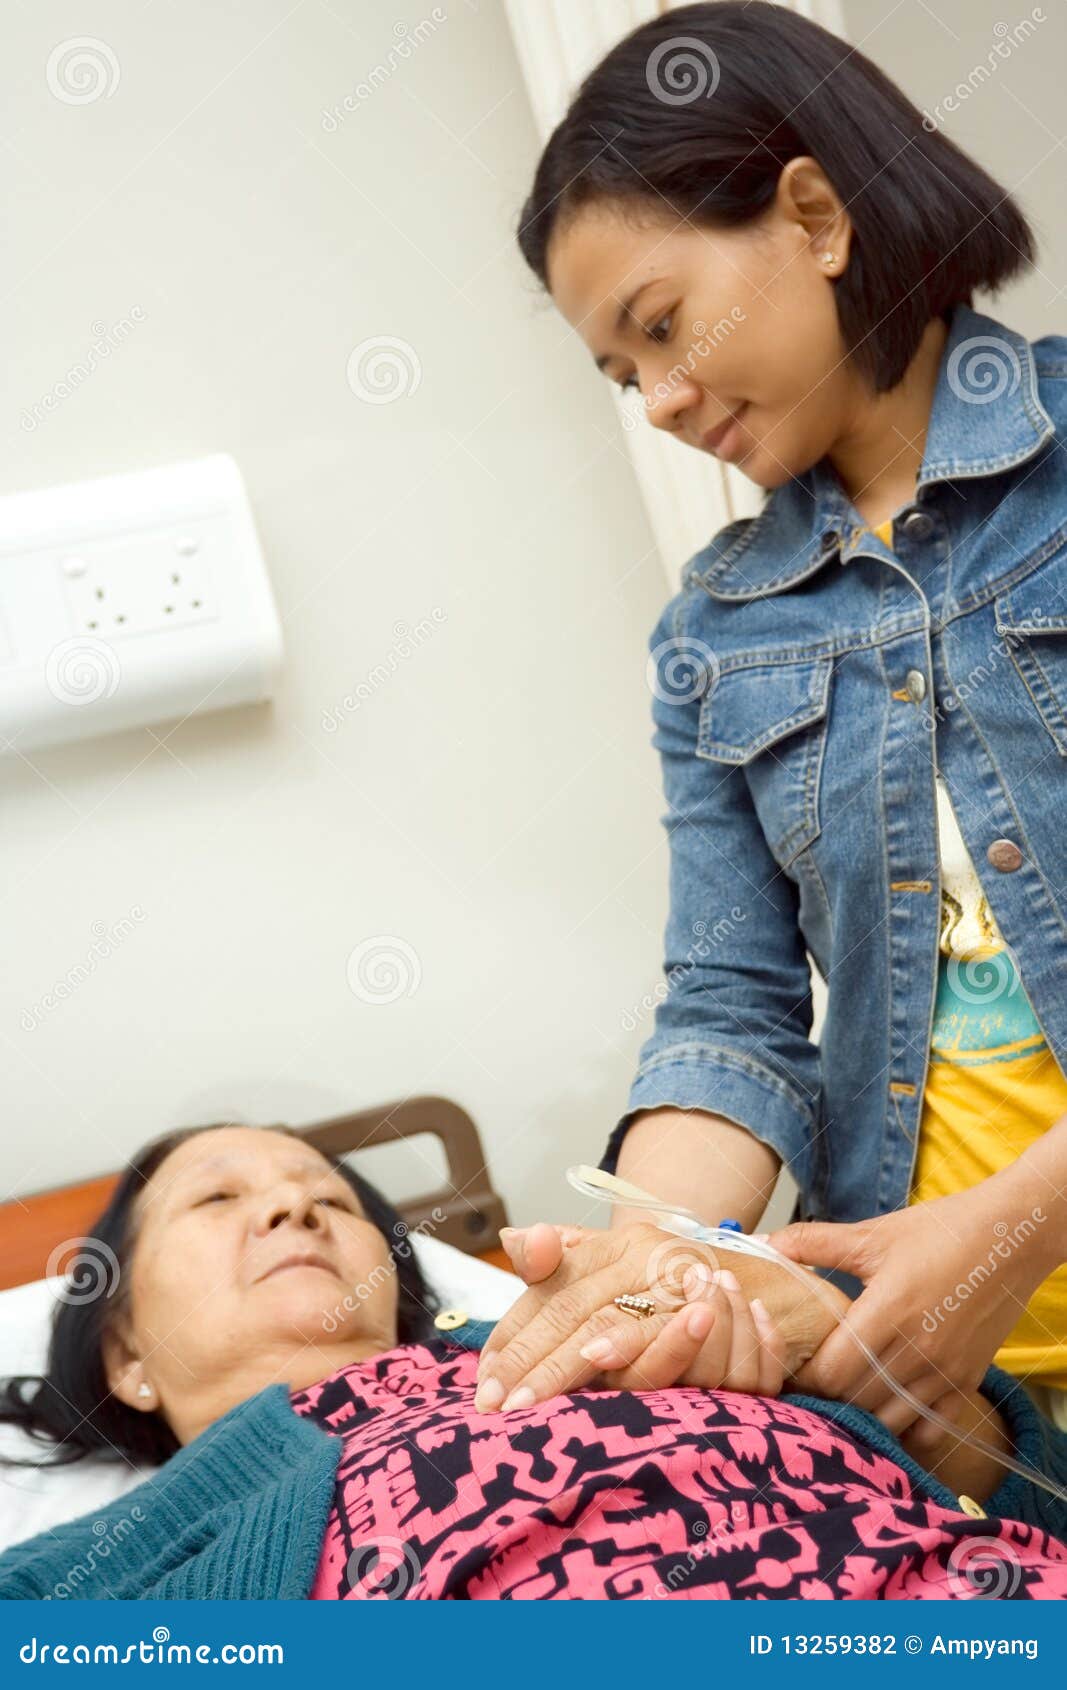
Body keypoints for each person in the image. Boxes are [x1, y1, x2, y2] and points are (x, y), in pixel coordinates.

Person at [507, 0, 1067, 1440]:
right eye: (620, 373)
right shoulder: (712, 636)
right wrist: (647, 1254)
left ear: (811, 214)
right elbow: (730, 1009)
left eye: (659, 325)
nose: (660, 400)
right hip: (936, 1375)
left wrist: (1011, 1230)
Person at [3, 1124, 1067, 1601]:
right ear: (126, 1350)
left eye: (329, 1193)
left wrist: (853, 1369)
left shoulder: (618, 1317)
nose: (295, 1204)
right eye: (218, 1196)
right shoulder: (118, 1557)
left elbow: (1030, 1491)